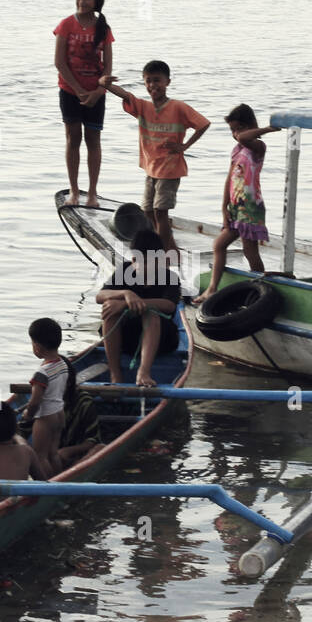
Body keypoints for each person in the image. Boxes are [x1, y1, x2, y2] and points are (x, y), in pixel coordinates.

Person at [100, 60, 209, 258]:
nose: (153, 85)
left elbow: (203, 124)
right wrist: (105, 84)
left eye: (157, 80)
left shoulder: (178, 107)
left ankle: (164, 254)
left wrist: (184, 146)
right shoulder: (143, 107)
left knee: (160, 212)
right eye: (148, 81)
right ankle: (171, 247)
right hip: (151, 169)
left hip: (170, 169)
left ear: (168, 82)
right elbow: (125, 95)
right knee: (148, 212)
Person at [195, 105, 280, 303]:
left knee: (251, 252)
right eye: (232, 130)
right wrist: (224, 206)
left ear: (251, 126)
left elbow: (244, 138)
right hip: (236, 207)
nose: (236, 134)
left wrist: (268, 129)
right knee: (219, 244)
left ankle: (261, 287)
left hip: (250, 208)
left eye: (239, 128)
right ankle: (213, 288)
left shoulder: (258, 147)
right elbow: (230, 178)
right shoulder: (237, 150)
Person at [54, 0, 114, 209]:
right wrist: (78, 91)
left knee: (93, 140)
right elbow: (60, 62)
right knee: (73, 139)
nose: (82, 1)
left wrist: (99, 91)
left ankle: (92, 193)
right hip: (70, 91)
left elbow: (108, 67)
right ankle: (75, 191)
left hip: (96, 94)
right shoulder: (66, 25)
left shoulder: (103, 28)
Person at [96, 228, 181, 387]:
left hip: (162, 338)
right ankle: (115, 373)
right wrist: (126, 293)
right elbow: (99, 296)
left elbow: (169, 305)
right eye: (136, 259)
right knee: (109, 309)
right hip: (129, 338)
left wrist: (126, 303)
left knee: (150, 314)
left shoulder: (169, 277)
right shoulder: (125, 270)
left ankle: (143, 372)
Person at [22, 317, 67, 474]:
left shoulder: (41, 374)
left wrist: (28, 414)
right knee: (53, 453)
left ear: (38, 347)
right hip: (59, 413)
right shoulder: (62, 364)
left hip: (45, 417)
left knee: (40, 456)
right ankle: (61, 480)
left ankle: (48, 486)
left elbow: (35, 401)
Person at [0, 403, 52, 481]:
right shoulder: (26, 451)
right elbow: (43, 482)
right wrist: (17, 438)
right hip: (17, 493)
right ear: (16, 429)